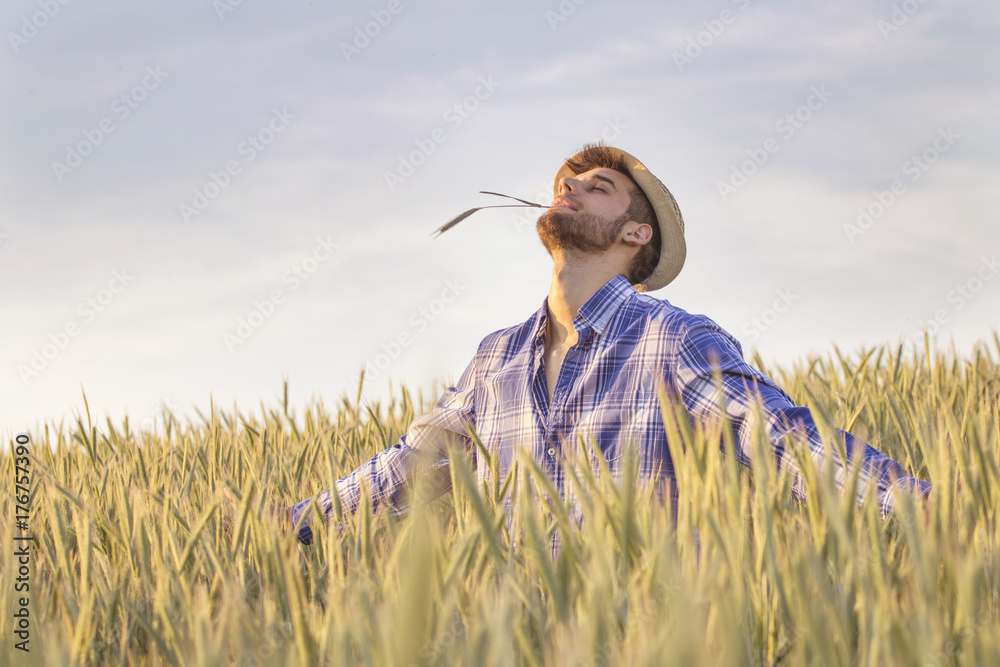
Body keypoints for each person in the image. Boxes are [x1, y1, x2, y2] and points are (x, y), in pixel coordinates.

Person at [244, 144, 932, 544]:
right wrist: (293, 524)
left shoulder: (674, 339)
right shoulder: (493, 359)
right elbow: (407, 470)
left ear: (636, 236)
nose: (568, 185)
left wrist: (929, 512)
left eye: (597, 188)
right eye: (563, 183)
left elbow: (781, 438)